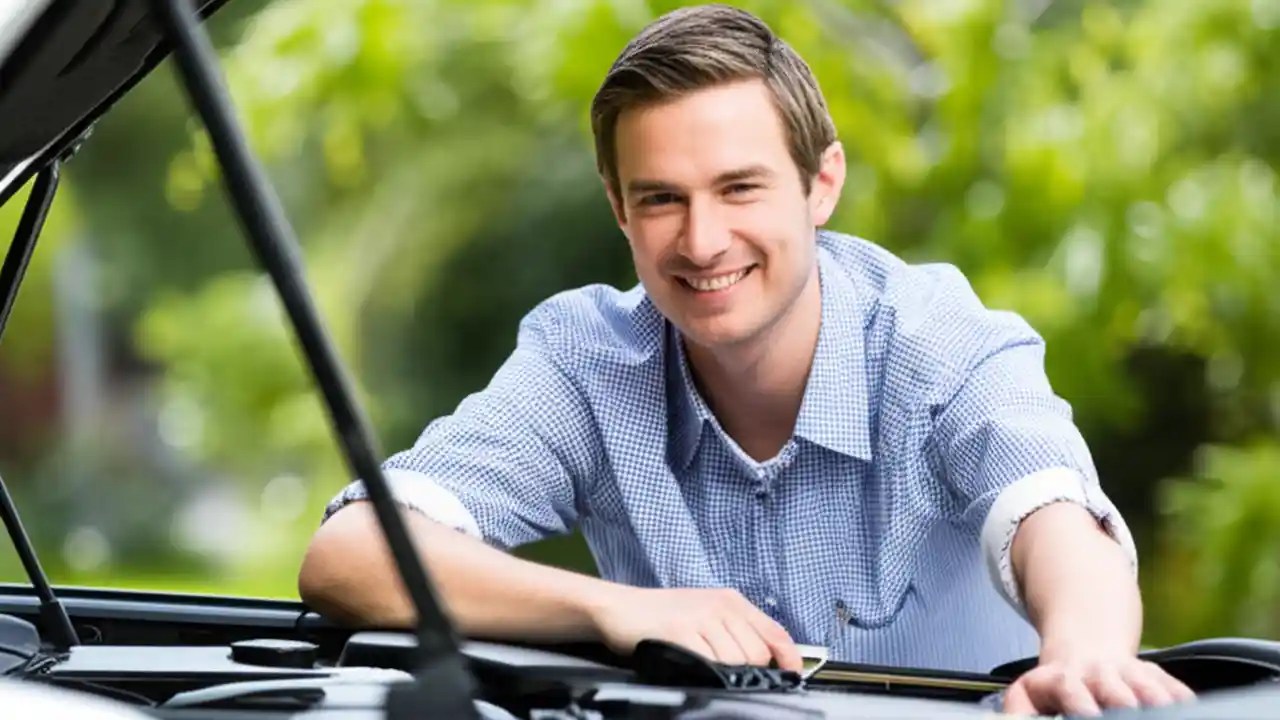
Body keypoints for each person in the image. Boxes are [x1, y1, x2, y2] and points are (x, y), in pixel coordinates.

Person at [298, 4, 1195, 716]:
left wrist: (1084, 657)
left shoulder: (939, 339)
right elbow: (350, 556)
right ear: (618, 209)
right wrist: (619, 610)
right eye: (660, 199)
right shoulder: (585, 362)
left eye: (739, 188)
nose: (701, 240)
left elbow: (1053, 517)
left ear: (822, 184)